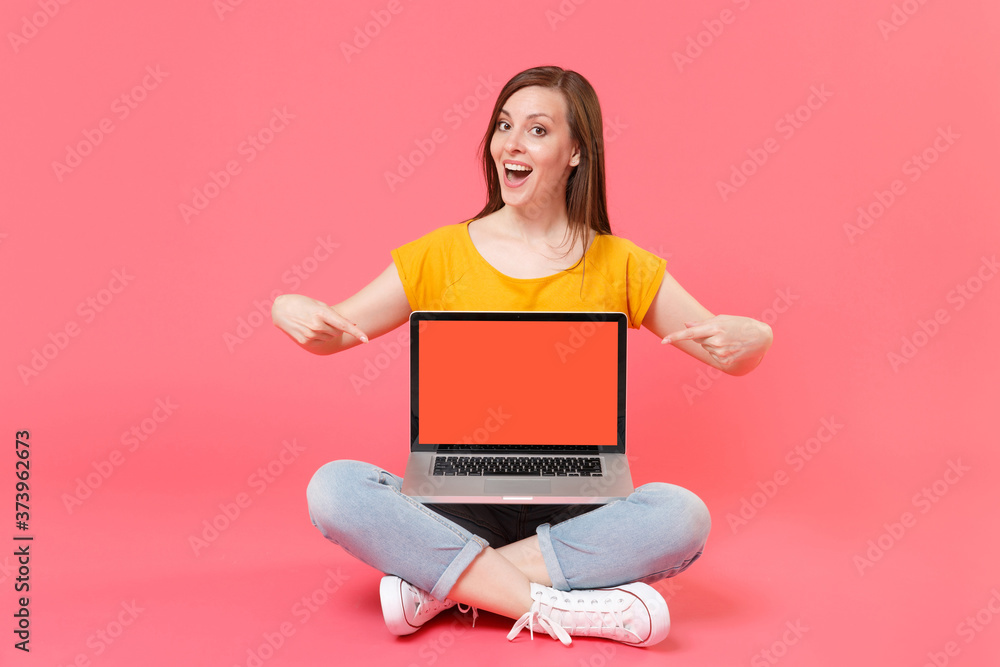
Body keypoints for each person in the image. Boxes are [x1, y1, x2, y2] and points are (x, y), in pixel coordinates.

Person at [271, 66, 773, 647]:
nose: (511, 142)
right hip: (457, 498)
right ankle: (557, 605)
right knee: (334, 488)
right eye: (504, 125)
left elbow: (725, 352)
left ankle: (444, 586)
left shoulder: (622, 264)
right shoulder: (439, 254)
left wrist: (756, 339)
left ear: (576, 151)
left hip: (577, 505)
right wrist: (287, 306)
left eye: (537, 130)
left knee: (683, 516)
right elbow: (335, 330)